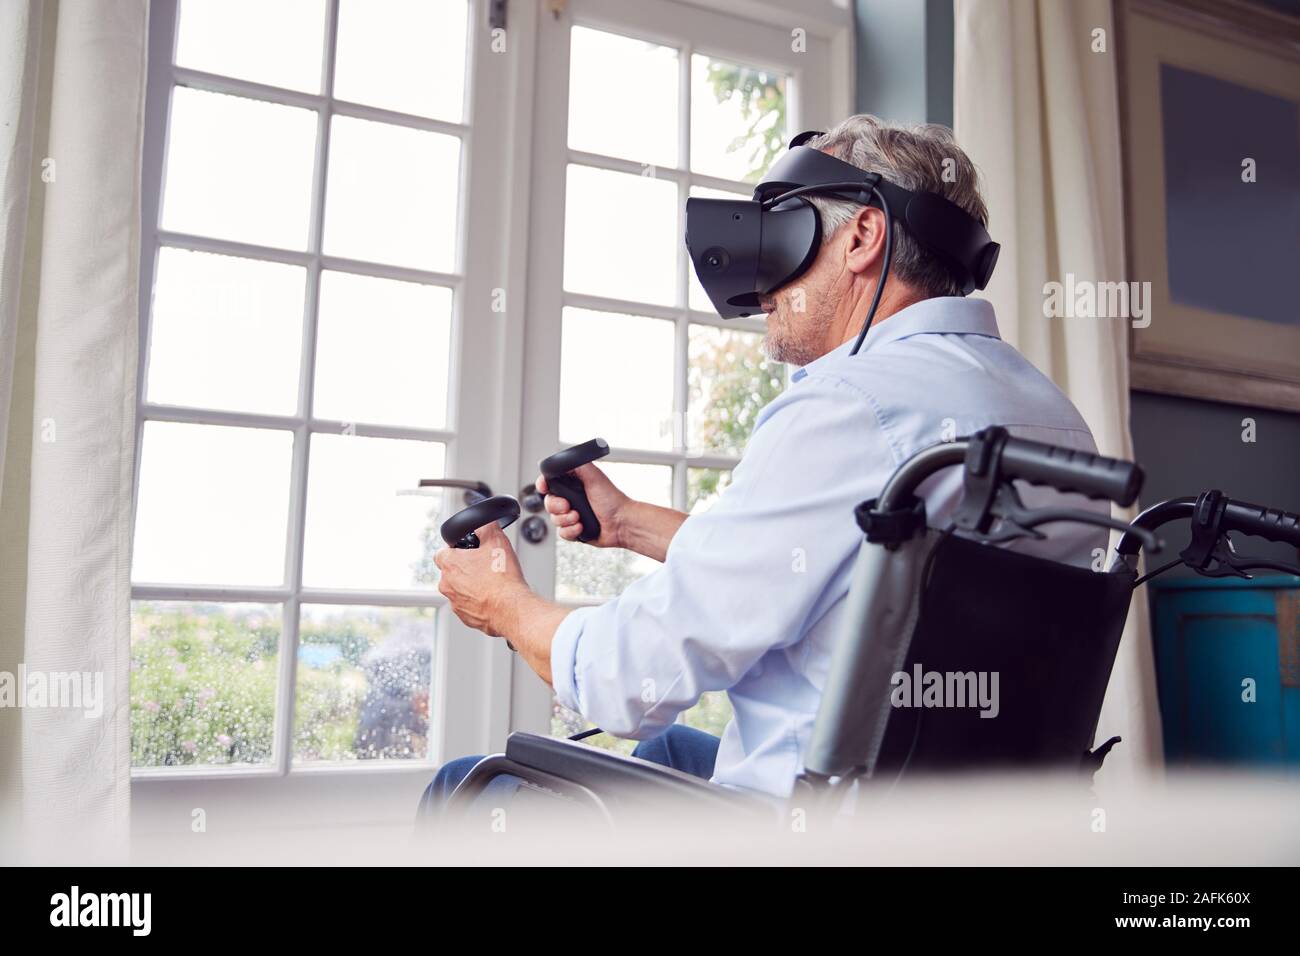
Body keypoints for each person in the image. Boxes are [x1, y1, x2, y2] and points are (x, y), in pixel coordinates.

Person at [422, 114, 1106, 815]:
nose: (759, 283)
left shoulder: (852, 404)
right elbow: (833, 571)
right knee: (671, 757)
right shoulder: (1056, 418)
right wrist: (627, 524)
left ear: (862, 237)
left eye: (783, 225)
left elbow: (628, 680)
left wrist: (506, 604)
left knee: (468, 784)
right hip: (956, 825)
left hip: (800, 826)